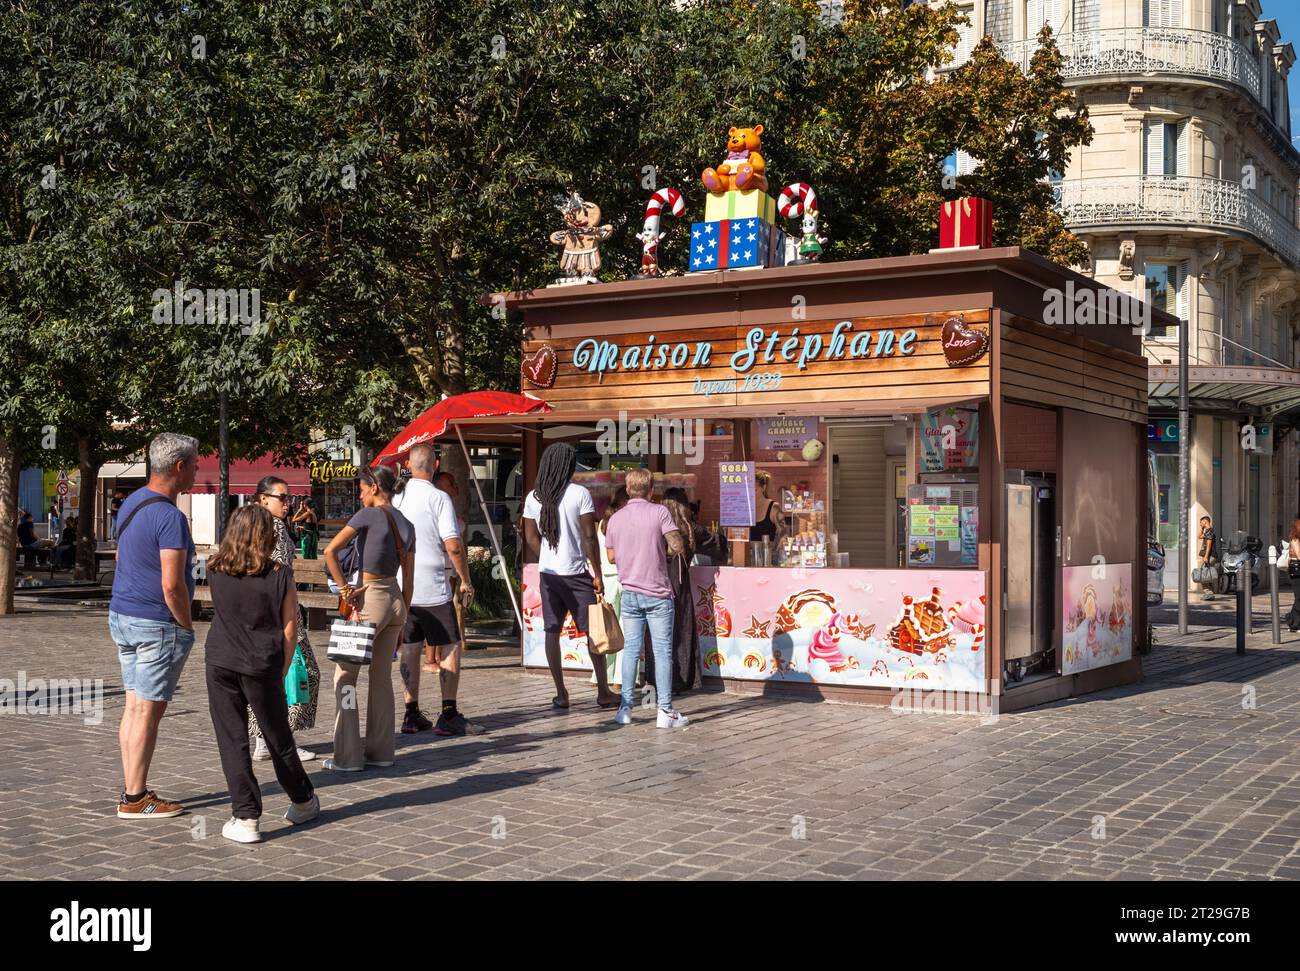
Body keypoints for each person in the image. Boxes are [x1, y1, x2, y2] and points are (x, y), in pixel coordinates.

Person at [204, 505, 320, 843]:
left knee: (233, 740)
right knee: (278, 738)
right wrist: (282, 668)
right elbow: (290, 629)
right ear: (266, 535)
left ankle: (246, 816)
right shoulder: (280, 574)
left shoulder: (215, 569)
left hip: (221, 659)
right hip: (262, 662)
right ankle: (302, 800)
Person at [107, 432, 199, 818]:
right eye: (194, 464)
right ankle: (135, 798)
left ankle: (132, 788)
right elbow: (172, 583)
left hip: (123, 615)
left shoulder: (131, 503)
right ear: (179, 467)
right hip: (156, 623)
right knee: (146, 712)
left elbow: (121, 557)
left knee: (133, 707)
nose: (196, 471)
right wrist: (186, 624)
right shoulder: (170, 517)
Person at [322, 465, 415, 772]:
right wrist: (403, 614)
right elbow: (409, 581)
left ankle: (347, 756)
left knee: (345, 677)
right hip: (397, 601)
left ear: (374, 487)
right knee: (381, 679)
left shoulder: (368, 516)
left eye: (362, 488)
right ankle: (381, 752)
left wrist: (347, 589)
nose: (359, 494)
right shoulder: (407, 524)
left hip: (370, 598)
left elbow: (330, 552)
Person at [393, 443, 480, 736]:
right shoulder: (439, 498)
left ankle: (411, 713)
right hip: (433, 585)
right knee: (451, 644)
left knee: (410, 647)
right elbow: (453, 545)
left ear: (408, 463)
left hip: (404, 584)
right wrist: (465, 579)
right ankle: (448, 712)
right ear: (437, 463)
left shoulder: (397, 498)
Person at [521, 442, 615, 710]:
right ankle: (604, 692)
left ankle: (561, 694)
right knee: (592, 631)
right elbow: (589, 537)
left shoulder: (533, 497)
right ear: (568, 465)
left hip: (548, 575)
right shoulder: (579, 494)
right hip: (576, 574)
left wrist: (548, 557)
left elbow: (529, 537)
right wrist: (596, 573)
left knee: (552, 631)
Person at [605, 468, 688, 728]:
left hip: (630, 592)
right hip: (658, 592)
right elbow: (677, 546)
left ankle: (625, 708)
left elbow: (610, 557)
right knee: (662, 651)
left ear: (628, 490)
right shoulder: (660, 512)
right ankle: (665, 711)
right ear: (651, 490)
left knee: (630, 651)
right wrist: (661, 550)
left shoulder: (615, 519)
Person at [247, 476, 320, 763]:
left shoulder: (249, 524)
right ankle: (282, 738)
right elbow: (279, 576)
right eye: (282, 498)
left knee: (263, 678)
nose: (288, 503)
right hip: (282, 615)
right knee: (304, 673)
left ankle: (262, 740)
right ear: (263, 498)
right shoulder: (274, 526)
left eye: (289, 498)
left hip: (258, 615)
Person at [658, 496, 702, 693]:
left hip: (658, 587)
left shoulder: (657, 531)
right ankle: (684, 678)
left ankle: (660, 681)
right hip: (681, 588)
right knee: (682, 632)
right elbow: (718, 544)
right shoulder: (689, 530)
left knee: (661, 637)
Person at [592, 486, 629, 690]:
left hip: (606, 580)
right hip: (622, 578)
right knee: (623, 630)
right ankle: (621, 678)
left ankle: (600, 675)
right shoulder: (623, 522)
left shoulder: (601, 524)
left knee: (606, 629)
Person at [432, 469, 470, 669]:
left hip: (450, 565)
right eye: (450, 483)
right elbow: (453, 544)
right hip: (443, 564)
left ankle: (438, 654)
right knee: (442, 607)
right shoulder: (439, 507)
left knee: (447, 606)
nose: (455, 486)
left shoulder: (448, 507)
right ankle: (437, 656)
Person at [749, 470, 781, 542]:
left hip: (769, 552)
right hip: (745, 552)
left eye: (754, 490)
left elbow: (783, 534)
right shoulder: (743, 508)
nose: (750, 494)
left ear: (763, 488)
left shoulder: (774, 507)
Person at [1197, 515, 1219, 601]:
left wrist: (1206, 556)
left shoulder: (1210, 531)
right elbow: (1199, 537)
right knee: (1205, 574)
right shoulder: (1207, 531)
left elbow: (1209, 545)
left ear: (1205, 521)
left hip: (1209, 556)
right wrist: (1202, 529)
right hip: (1208, 556)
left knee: (1202, 574)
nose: (1200, 524)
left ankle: (1209, 592)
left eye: (1201, 522)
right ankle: (1209, 593)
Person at [1286, 520, 1300, 632]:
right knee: (1299, 597)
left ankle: (1293, 621)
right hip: (1296, 571)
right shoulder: (1295, 540)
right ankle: (1293, 622)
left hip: (1297, 570)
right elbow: (1299, 555)